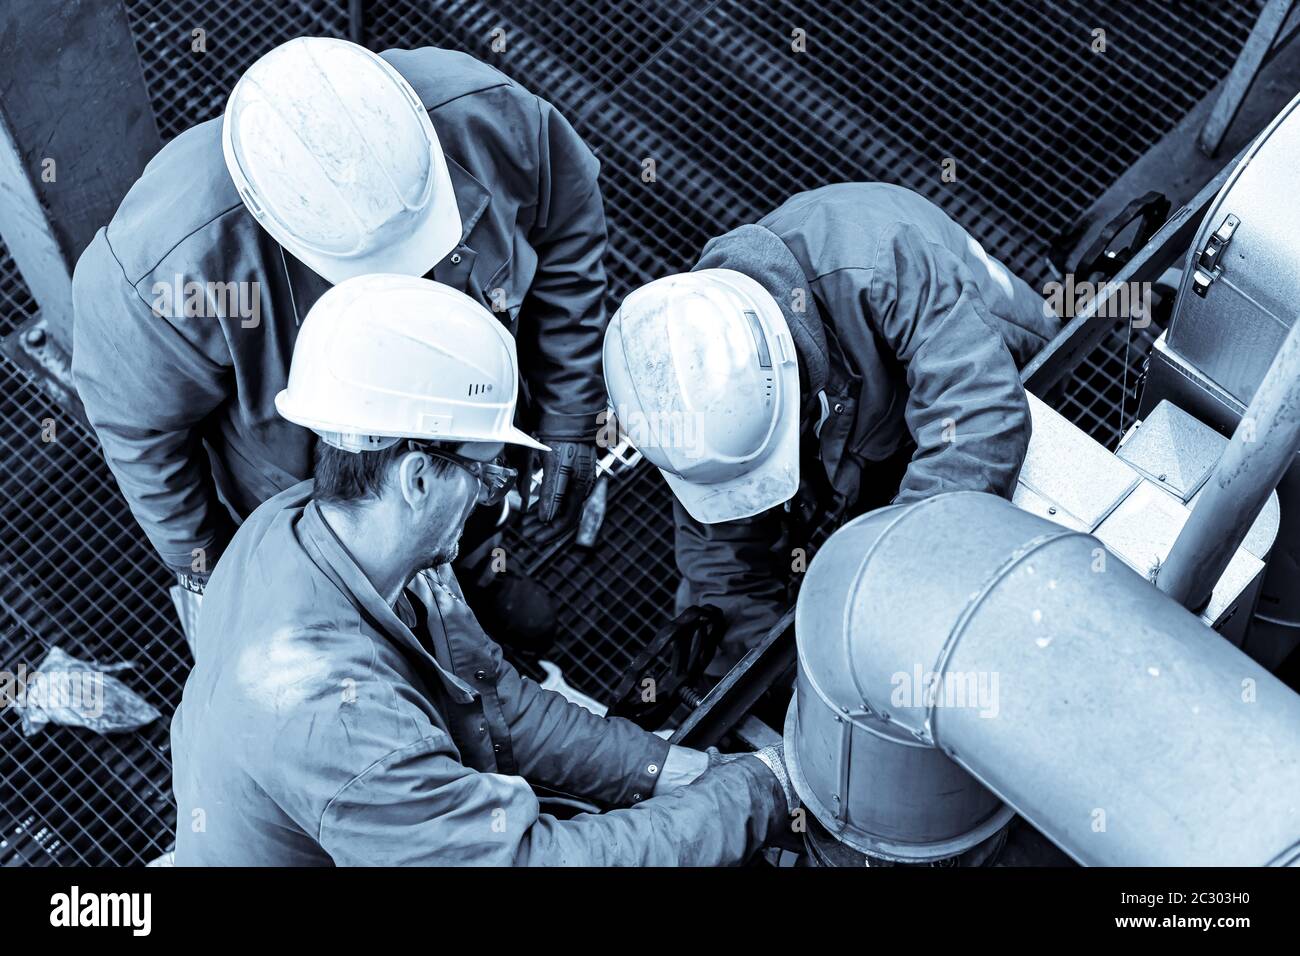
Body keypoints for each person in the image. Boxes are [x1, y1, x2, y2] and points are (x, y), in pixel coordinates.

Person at [170, 275, 793, 865]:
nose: (494, 497)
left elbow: (496, 702)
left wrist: (667, 769)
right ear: (416, 478)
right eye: (487, 476)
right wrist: (760, 791)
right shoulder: (340, 726)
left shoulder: (299, 531)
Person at [72, 37, 605, 613]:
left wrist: (569, 416)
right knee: (361, 604)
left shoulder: (485, 114)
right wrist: (214, 570)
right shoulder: (164, 271)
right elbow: (143, 439)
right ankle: (400, 613)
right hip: (316, 498)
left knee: (469, 512)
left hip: (476, 425)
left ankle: (472, 573)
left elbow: (567, 231)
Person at [603, 183, 1060, 672]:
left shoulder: (878, 259)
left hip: (1010, 365)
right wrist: (779, 676)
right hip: (868, 425)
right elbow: (721, 556)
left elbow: (981, 411)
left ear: (791, 379)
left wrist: (888, 570)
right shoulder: (696, 377)